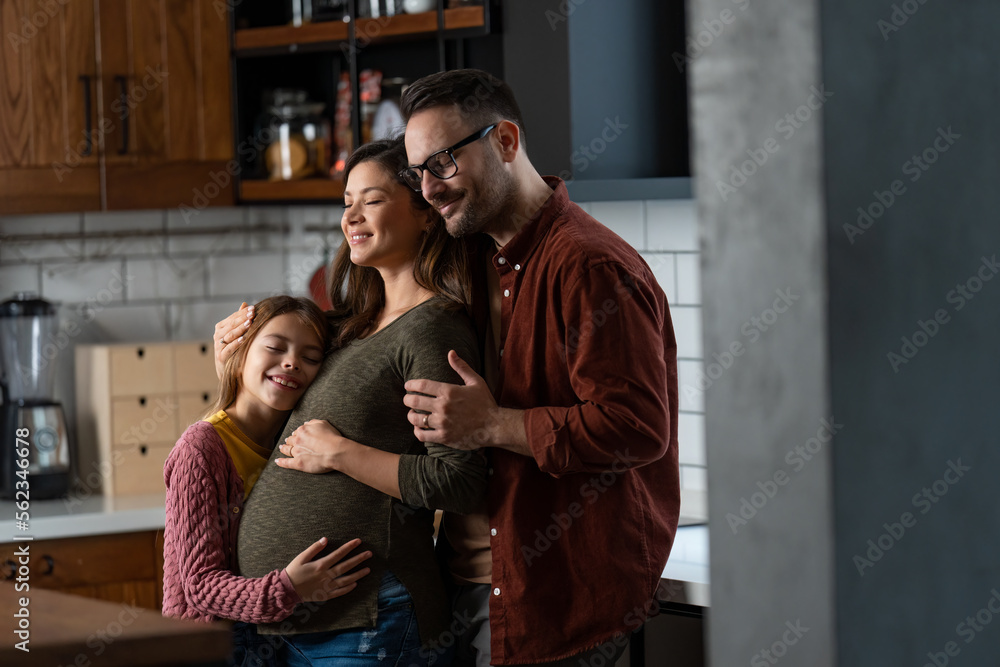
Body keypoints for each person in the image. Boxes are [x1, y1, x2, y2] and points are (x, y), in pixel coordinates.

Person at [394, 69, 682, 666]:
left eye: (443, 162)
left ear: (505, 141)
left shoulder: (591, 267)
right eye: (418, 171)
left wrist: (491, 424)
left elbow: (635, 427)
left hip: (562, 604)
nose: (429, 188)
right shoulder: (475, 257)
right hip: (476, 590)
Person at [213, 136, 487, 667]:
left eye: (373, 200)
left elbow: (459, 481)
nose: (352, 217)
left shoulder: (431, 329)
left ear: (425, 214)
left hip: (371, 620)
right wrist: (235, 363)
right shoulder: (347, 327)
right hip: (288, 623)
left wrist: (340, 454)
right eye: (347, 202)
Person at [162, 295, 374, 667]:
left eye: (311, 357)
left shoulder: (292, 440)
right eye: (275, 348)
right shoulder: (201, 448)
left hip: (272, 640)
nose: (292, 362)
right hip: (213, 647)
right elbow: (199, 586)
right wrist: (291, 588)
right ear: (239, 352)